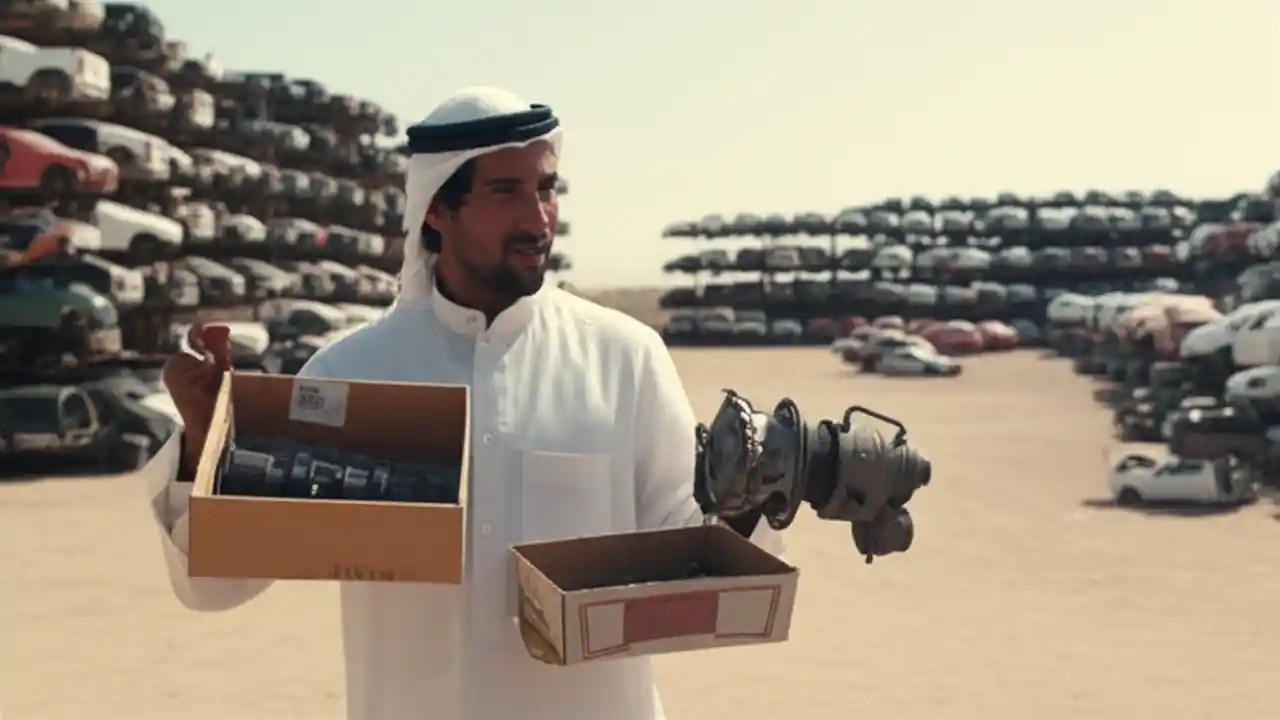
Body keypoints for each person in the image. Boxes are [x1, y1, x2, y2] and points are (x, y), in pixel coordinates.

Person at [148, 86, 784, 720]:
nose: (538, 218)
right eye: (506, 191)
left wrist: (763, 490)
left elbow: (690, 548)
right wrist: (209, 447)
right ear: (435, 209)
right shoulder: (352, 376)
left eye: (547, 189)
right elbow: (218, 587)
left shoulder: (624, 358)